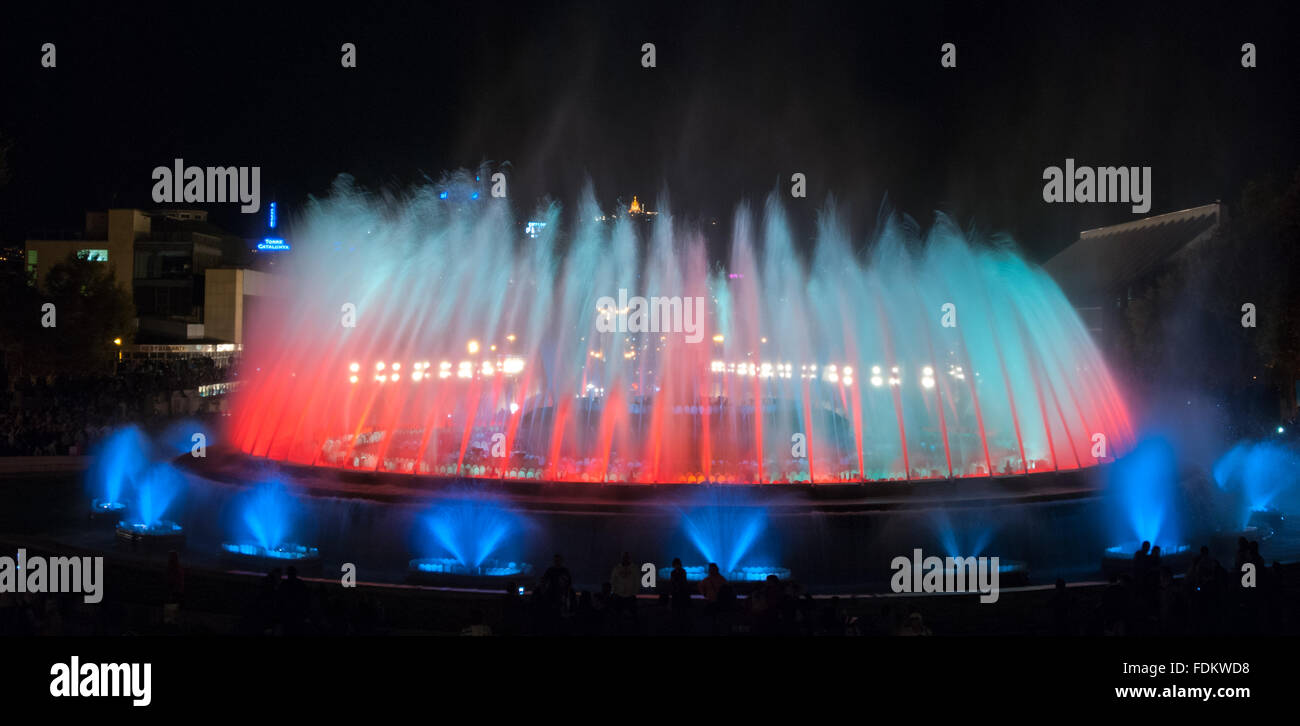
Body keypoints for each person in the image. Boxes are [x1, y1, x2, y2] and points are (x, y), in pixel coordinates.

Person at [609, 552, 640, 628]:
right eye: (624, 557)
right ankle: (618, 628)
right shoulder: (617, 568)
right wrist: (614, 592)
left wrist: (634, 593)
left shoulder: (634, 568)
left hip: (630, 595)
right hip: (619, 595)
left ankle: (635, 628)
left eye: (627, 557)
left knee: (633, 614)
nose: (625, 559)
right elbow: (613, 581)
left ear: (629, 558)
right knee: (618, 614)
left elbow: (637, 581)